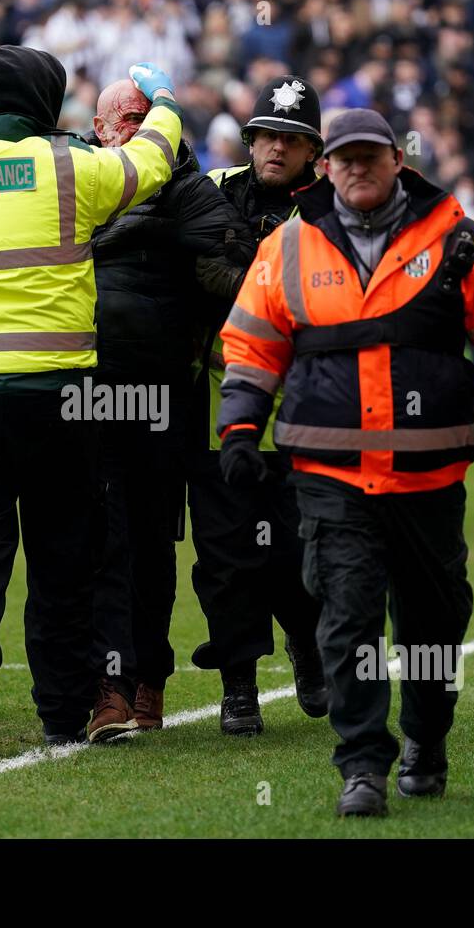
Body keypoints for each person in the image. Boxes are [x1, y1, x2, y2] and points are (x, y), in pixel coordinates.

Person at [216, 109, 474, 816]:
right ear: (325, 165)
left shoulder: (460, 239)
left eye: (370, 156)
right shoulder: (289, 246)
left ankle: (428, 739)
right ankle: (362, 764)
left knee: (432, 624)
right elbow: (252, 344)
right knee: (346, 618)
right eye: (344, 157)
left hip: (429, 479)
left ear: (399, 159)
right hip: (331, 481)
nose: (356, 168)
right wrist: (239, 430)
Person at [0, 47, 183, 756]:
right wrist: (165, 105)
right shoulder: (69, 168)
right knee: (62, 551)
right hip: (58, 394)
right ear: (42, 103)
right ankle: (62, 711)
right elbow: (149, 166)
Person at [88, 79, 255, 732]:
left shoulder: (187, 186)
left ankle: (148, 677)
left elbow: (233, 251)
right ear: (98, 127)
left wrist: (170, 179)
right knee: (104, 539)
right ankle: (111, 684)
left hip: (163, 395)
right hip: (93, 391)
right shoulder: (81, 178)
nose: (127, 130)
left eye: (141, 119)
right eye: (117, 119)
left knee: (153, 542)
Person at [191, 75, 328, 735]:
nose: (277, 148)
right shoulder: (211, 192)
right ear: (250, 140)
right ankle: (238, 683)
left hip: (304, 416)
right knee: (225, 559)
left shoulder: (331, 215)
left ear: (313, 152)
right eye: (268, 135)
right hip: (220, 413)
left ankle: (306, 643)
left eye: (292, 139)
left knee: (298, 554)